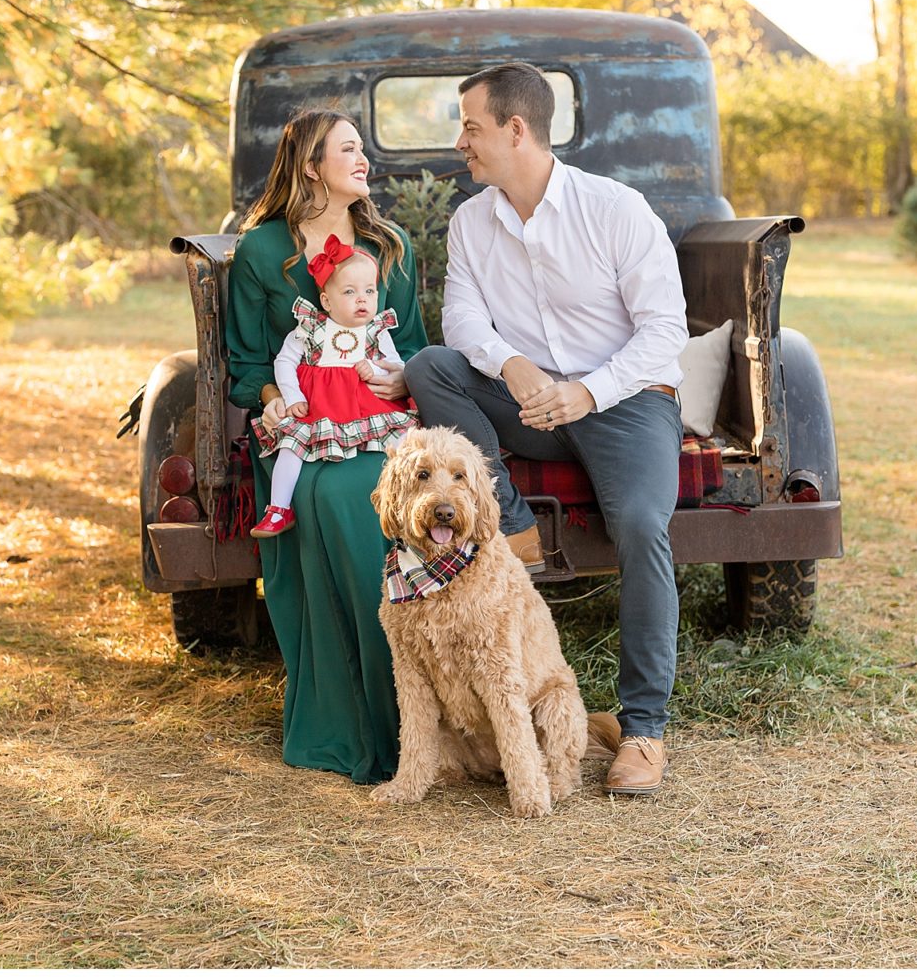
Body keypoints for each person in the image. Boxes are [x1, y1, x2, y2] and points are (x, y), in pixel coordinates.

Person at [403, 62, 689, 796]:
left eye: (470, 127)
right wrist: (513, 364)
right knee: (434, 365)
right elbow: (462, 320)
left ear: (516, 130)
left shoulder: (616, 209)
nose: (460, 142)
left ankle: (644, 731)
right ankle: (514, 529)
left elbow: (665, 333)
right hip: (524, 404)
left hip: (622, 401)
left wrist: (587, 392)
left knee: (642, 526)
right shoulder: (473, 220)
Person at [225, 108, 429, 785]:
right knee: (328, 497)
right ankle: (351, 723)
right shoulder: (261, 253)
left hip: (381, 419)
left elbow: (417, 352)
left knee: (371, 495)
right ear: (311, 166)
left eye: (363, 146)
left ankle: (415, 720)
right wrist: (276, 401)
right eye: (347, 148)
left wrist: (397, 386)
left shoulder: (389, 246)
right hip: (299, 430)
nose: (363, 157)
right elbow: (249, 365)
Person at [249, 237, 417, 538]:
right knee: (291, 445)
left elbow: (397, 367)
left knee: (407, 440)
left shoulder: (377, 331)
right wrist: (292, 395)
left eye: (369, 291)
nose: (362, 299)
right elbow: (284, 362)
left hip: (367, 404)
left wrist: (376, 369)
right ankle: (278, 509)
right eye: (350, 292)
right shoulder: (310, 328)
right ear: (327, 301)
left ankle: (411, 498)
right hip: (320, 407)